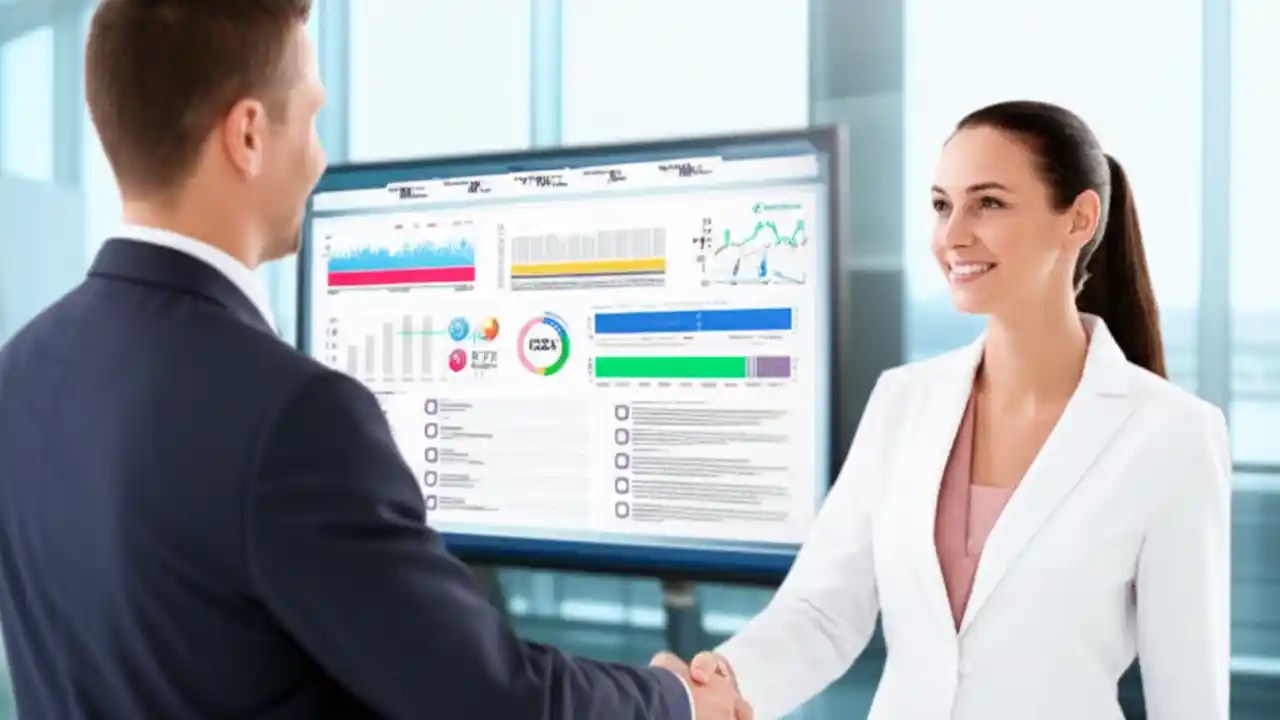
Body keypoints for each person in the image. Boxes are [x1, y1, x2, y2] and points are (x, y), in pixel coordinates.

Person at [0, 2, 751, 719]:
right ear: (249, 135)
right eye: (311, 118)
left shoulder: (20, 373)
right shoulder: (292, 415)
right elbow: (488, 700)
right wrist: (676, 701)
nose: (319, 157)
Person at [654, 100, 1231, 719]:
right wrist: (723, 682)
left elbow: (1188, 699)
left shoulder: (1172, 434)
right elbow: (824, 612)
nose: (952, 235)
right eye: (941, 205)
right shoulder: (903, 400)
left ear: (1079, 219)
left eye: (989, 203)